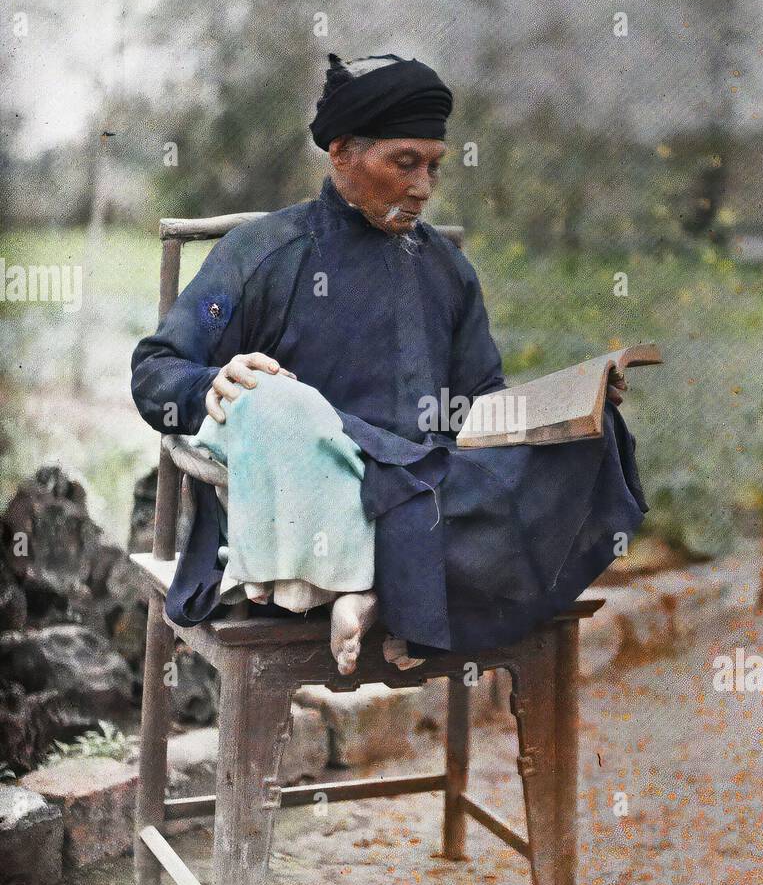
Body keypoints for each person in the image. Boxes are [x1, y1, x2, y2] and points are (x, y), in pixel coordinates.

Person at [130, 51, 649, 675]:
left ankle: (371, 585)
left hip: (432, 483)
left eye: (433, 166)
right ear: (343, 151)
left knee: (596, 437)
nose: (422, 188)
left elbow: (481, 402)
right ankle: (392, 579)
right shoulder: (263, 252)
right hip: (326, 481)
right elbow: (156, 370)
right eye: (405, 163)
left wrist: (571, 403)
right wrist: (213, 380)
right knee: (281, 404)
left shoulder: (447, 270)